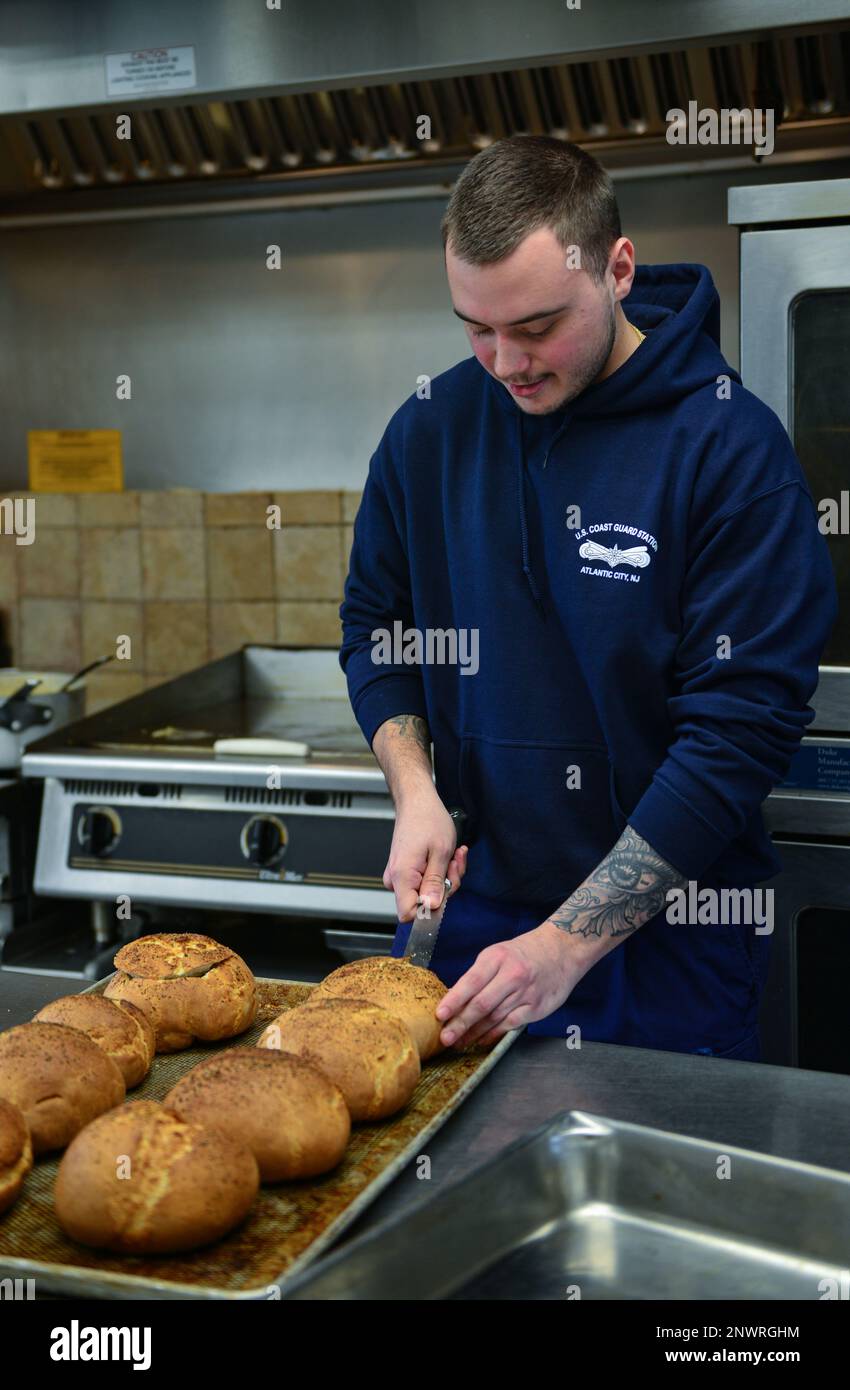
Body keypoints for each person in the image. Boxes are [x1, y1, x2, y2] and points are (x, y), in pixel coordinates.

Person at [339, 134, 837, 1061]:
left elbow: (738, 733)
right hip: (477, 921)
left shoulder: (730, 452)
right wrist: (415, 792)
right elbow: (380, 629)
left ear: (616, 268)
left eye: (536, 327)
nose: (506, 362)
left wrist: (566, 946)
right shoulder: (430, 431)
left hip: (672, 938)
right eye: (475, 327)